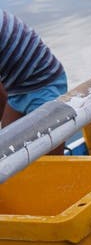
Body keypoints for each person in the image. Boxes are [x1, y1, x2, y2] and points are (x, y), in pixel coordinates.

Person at [0, 10, 68, 154]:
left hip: (44, 84)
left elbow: (0, 95)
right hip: (16, 89)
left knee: (50, 165)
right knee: (9, 156)